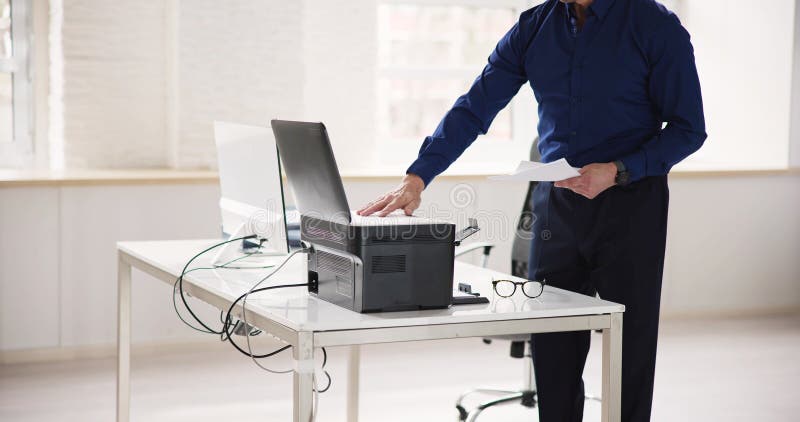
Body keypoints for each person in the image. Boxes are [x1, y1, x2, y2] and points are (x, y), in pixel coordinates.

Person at [357, 0, 705, 420]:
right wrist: (419, 176)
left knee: (630, 352)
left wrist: (617, 171)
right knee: (553, 351)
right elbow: (475, 106)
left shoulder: (654, 25)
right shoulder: (534, 27)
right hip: (557, 210)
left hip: (631, 207)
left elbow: (688, 129)